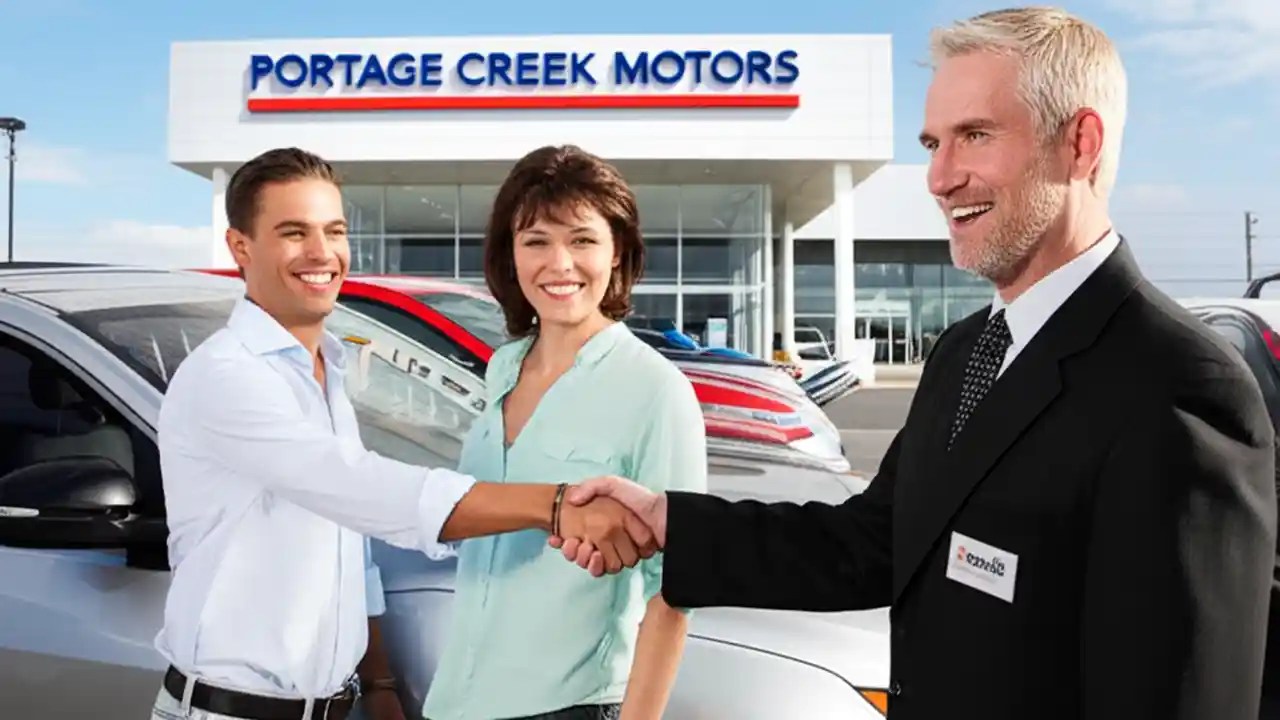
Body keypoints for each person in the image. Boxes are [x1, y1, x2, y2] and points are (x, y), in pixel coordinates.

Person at [553, 7, 1279, 720]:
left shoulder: (1178, 390)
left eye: (975, 135)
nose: (939, 177)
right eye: (934, 142)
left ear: (1080, 144)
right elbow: (877, 539)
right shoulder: (966, 350)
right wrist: (671, 521)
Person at [150, 147, 656, 720]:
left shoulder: (323, 365)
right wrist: (559, 505)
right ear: (241, 247)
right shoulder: (228, 376)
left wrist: (380, 682)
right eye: (294, 233)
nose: (322, 253)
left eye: (334, 230)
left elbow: (347, 539)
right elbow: (365, 491)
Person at [420, 144, 706, 720]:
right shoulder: (504, 366)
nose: (560, 264)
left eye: (581, 240)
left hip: (567, 706)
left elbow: (673, 592)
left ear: (617, 251)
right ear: (510, 254)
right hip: (454, 700)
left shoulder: (655, 389)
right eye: (536, 242)